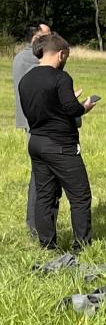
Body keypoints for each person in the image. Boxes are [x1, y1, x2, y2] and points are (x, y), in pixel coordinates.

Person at [17, 32, 97, 252]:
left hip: (36, 143)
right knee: (80, 196)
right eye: (67, 56)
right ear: (61, 54)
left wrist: (65, 98)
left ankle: (47, 245)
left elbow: (38, 107)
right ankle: (81, 246)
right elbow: (71, 109)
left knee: (45, 196)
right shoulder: (61, 78)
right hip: (61, 146)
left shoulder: (26, 80)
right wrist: (84, 106)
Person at [12, 20, 52, 234]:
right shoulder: (30, 59)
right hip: (37, 124)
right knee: (41, 177)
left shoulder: (25, 57)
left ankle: (36, 224)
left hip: (35, 122)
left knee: (40, 175)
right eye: (48, 34)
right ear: (36, 37)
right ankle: (36, 226)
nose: (52, 37)